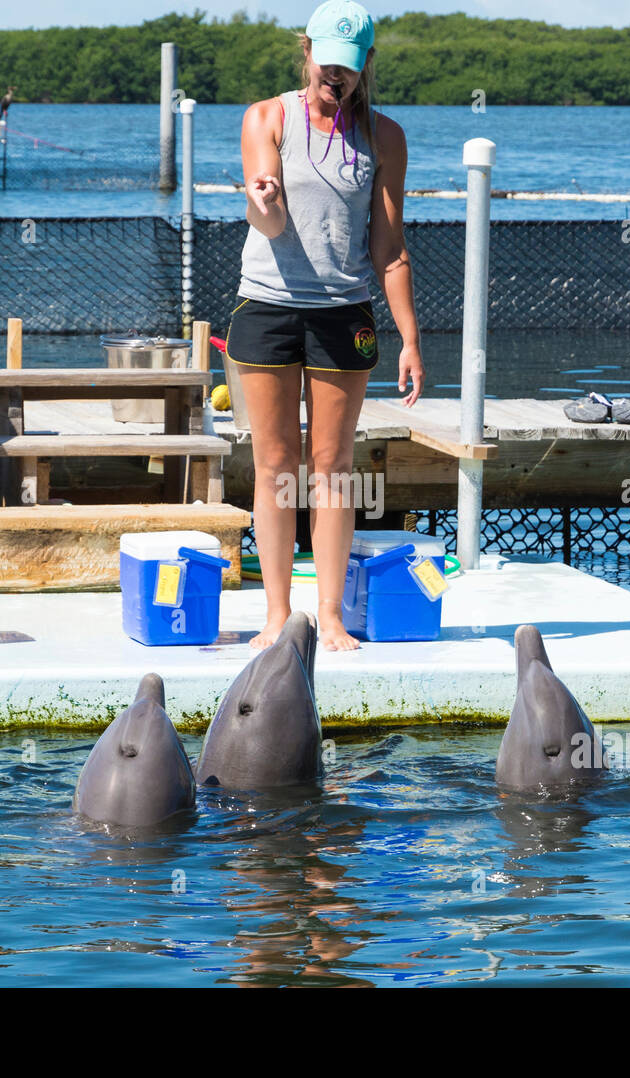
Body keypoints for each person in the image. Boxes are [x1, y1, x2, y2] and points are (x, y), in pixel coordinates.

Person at [227, 0, 423, 652]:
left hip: (345, 314)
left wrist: (410, 340)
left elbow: (389, 249)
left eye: (347, 65)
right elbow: (271, 226)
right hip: (268, 307)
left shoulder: (384, 137)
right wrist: (267, 204)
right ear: (306, 51)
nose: (332, 76)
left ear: (365, 64)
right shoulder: (266, 117)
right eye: (324, 61)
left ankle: (332, 617)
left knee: (333, 466)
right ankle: (277, 616)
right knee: (275, 462)